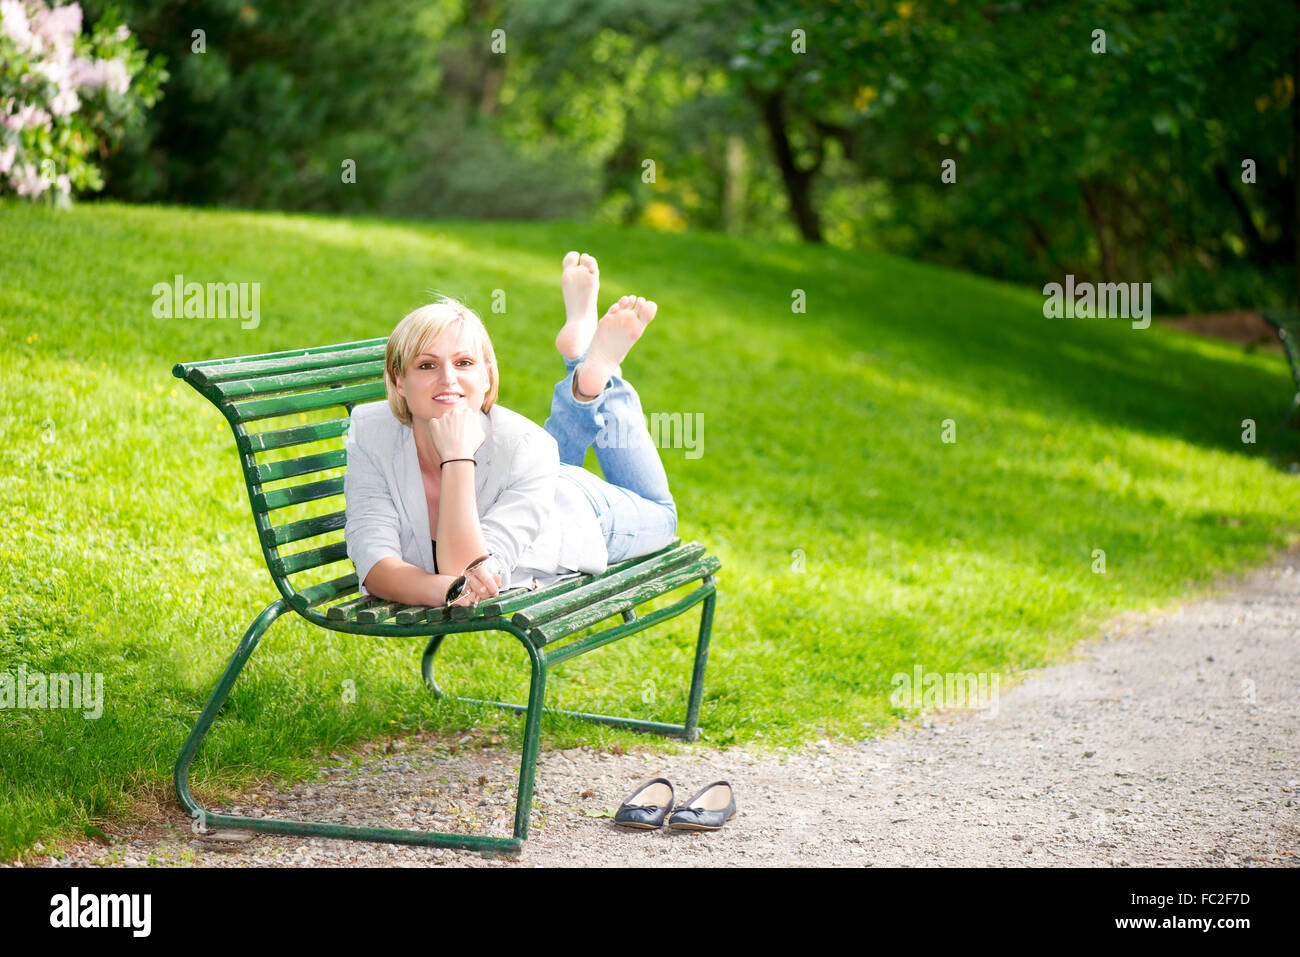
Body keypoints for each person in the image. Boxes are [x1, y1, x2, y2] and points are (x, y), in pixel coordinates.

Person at [343, 252, 678, 608]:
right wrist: (450, 591)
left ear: (487, 377)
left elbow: (468, 568)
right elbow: (378, 566)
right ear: (399, 382)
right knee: (537, 451)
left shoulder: (526, 446)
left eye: (464, 363)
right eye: (427, 365)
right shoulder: (372, 432)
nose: (448, 378)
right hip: (528, 475)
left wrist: (456, 458)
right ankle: (585, 367)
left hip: (578, 510)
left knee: (663, 515)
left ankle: (595, 373)